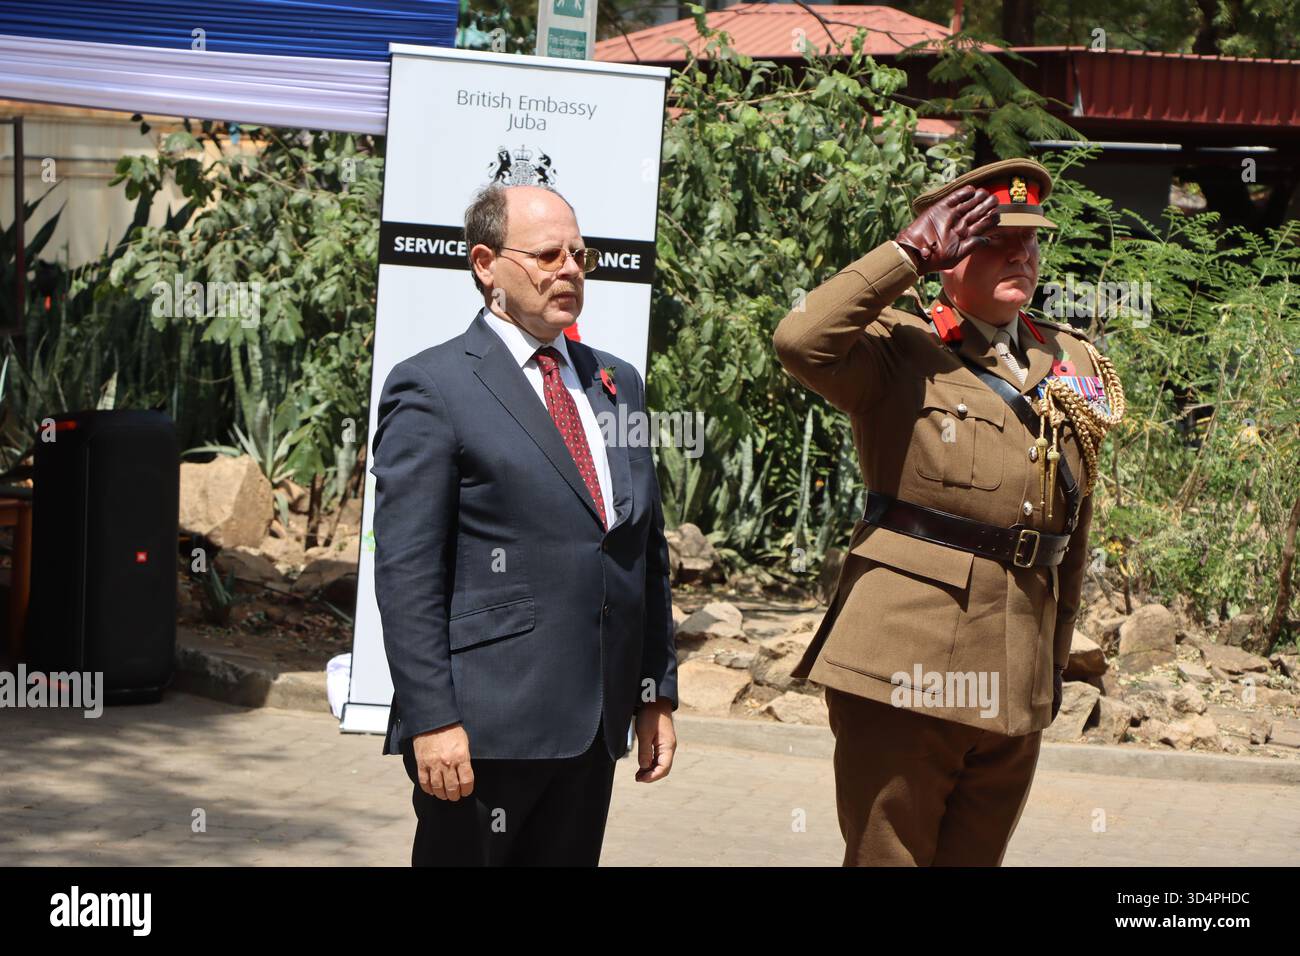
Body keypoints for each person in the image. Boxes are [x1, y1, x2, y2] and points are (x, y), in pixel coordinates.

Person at [773, 158, 1125, 866]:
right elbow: (798, 340)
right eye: (995, 239)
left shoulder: (1073, 359)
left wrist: (1051, 667)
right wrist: (903, 255)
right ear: (948, 251)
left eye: (1030, 241)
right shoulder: (899, 347)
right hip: (906, 664)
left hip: (1017, 669)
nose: (1020, 254)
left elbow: (1072, 531)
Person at [370, 183, 678, 866]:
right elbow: (406, 571)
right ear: (486, 264)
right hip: (484, 732)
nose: (568, 269)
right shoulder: (433, 386)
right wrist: (434, 720)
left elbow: (641, 552)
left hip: (593, 726)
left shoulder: (617, 382)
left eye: (578, 254)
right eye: (546, 255)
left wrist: (655, 695)